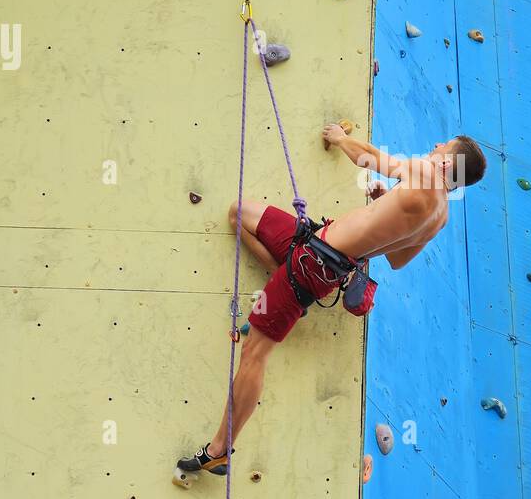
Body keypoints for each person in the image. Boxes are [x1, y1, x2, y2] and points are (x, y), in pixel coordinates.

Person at [176, 128, 487, 477]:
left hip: (313, 267)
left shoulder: (426, 171)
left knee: (253, 353)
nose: (434, 146)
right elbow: (398, 259)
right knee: (240, 213)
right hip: (312, 249)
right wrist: (387, 202)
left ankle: (220, 449)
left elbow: (368, 157)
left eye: (441, 145)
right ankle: (284, 287)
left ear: (447, 161)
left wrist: (339, 138)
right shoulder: (440, 216)